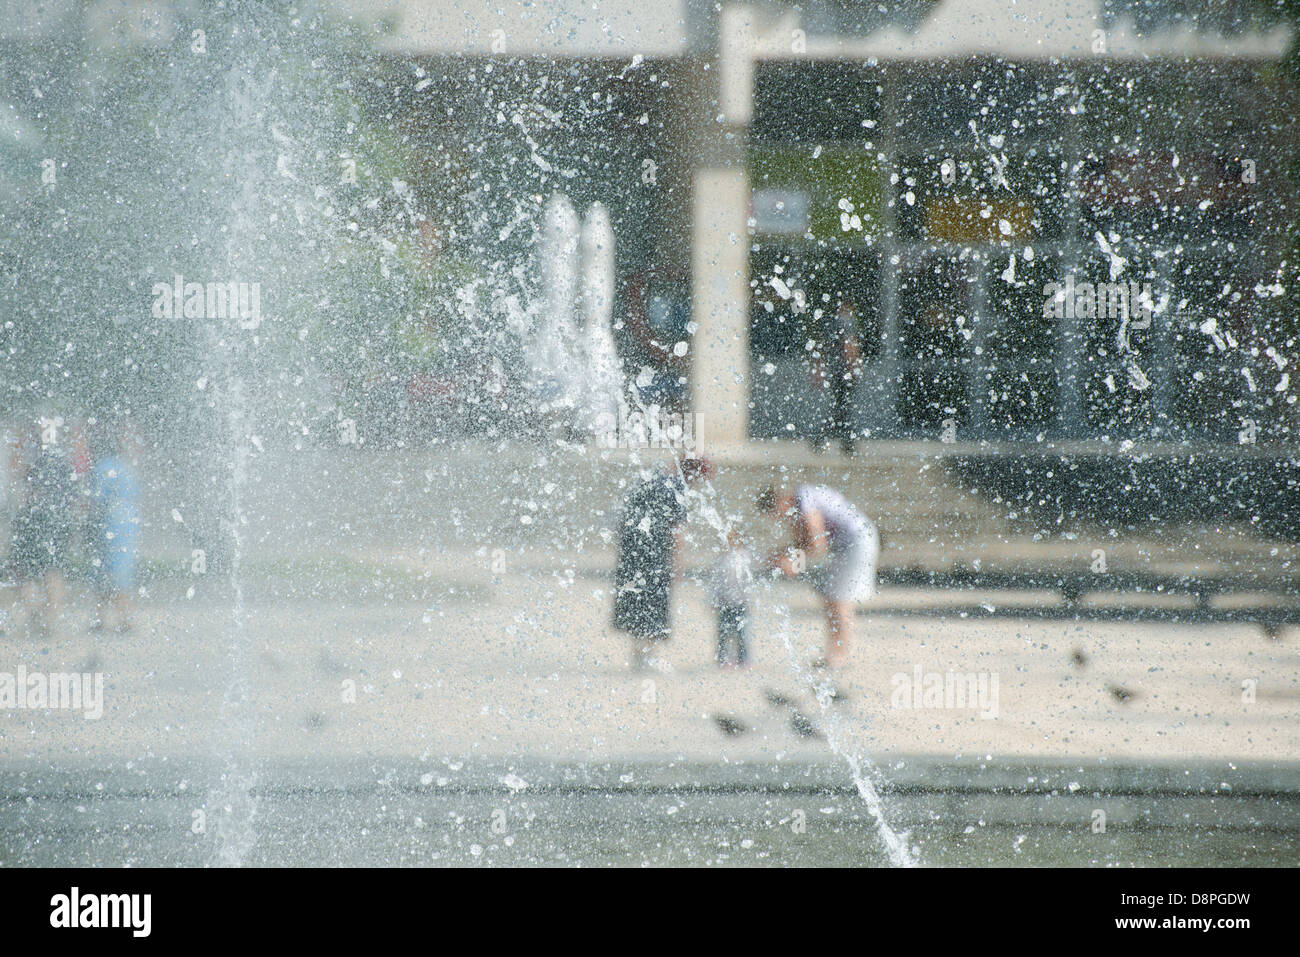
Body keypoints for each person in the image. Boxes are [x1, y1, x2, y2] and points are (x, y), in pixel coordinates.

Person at [758, 483, 878, 668]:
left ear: (781, 502)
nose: (779, 519)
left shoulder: (805, 498)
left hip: (855, 543)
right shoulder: (799, 505)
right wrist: (785, 557)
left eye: (776, 513)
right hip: (850, 543)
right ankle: (835, 654)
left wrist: (789, 559)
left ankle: (839, 656)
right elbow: (804, 546)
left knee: (839, 601)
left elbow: (817, 545)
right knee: (832, 599)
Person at [613, 457, 714, 671]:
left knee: (635, 597)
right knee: (654, 601)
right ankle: (647, 655)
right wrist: (678, 564)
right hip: (656, 553)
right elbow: (677, 530)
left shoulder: (649, 478)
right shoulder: (677, 487)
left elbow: (624, 518)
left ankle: (638, 652)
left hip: (632, 549)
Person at [8, 421, 77, 636]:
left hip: (33, 519)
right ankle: (48, 619)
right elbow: (72, 495)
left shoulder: (34, 459)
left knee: (27, 571)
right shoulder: (63, 462)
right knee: (53, 571)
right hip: (56, 520)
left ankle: (36, 616)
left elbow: (24, 487)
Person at [88, 426, 141, 633]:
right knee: (122, 573)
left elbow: (96, 498)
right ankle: (125, 618)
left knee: (102, 572)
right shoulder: (126, 468)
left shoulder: (103, 467)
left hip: (108, 524)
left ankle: (101, 619)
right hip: (128, 525)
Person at [812, 299, 862, 455]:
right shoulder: (846, 324)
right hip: (843, 372)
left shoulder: (831, 325)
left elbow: (821, 347)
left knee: (841, 408)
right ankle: (844, 443)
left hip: (836, 371)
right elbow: (849, 346)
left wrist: (819, 370)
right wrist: (852, 366)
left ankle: (826, 440)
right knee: (842, 408)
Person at [709, 526, 754, 668]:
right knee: (723, 632)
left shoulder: (745, 557)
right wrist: (712, 599)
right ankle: (722, 658)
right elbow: (715, 581)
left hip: (740, 602)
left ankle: (743, 658)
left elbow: (749, 581)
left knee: (741, 632)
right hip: (724, 601)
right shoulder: (721, 558)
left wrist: (750, 599)